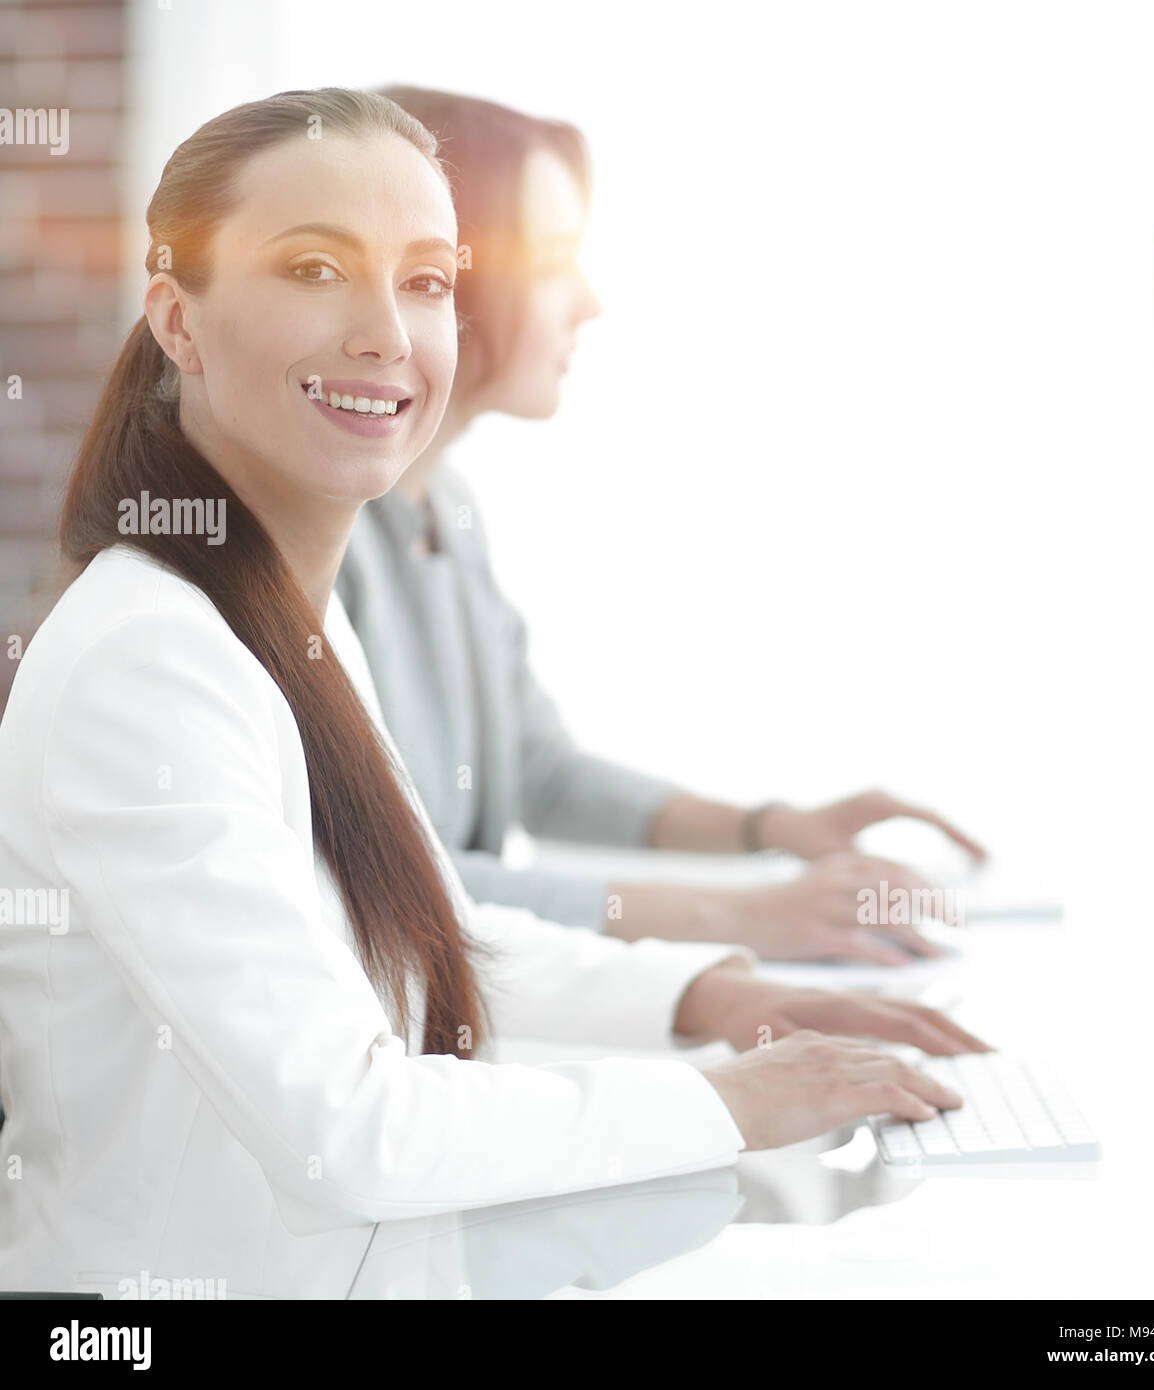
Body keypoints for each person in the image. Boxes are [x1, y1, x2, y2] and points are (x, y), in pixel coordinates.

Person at [0, 88, 987, 1298]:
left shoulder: (286, 619)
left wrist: (714, 992)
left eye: (424, 282)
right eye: (314, 268)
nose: (383, 331)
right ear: (179, 321)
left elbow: (427, 950)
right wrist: (727, 1096)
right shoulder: (145, 665)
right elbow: (347, 1129)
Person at [337, 87, 987, 964]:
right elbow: (410, 889)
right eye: (556, 260)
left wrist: (773, 829)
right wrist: (742, 918)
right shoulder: (325, 547)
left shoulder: (446, 507)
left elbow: (545, 775)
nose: (589, 301)